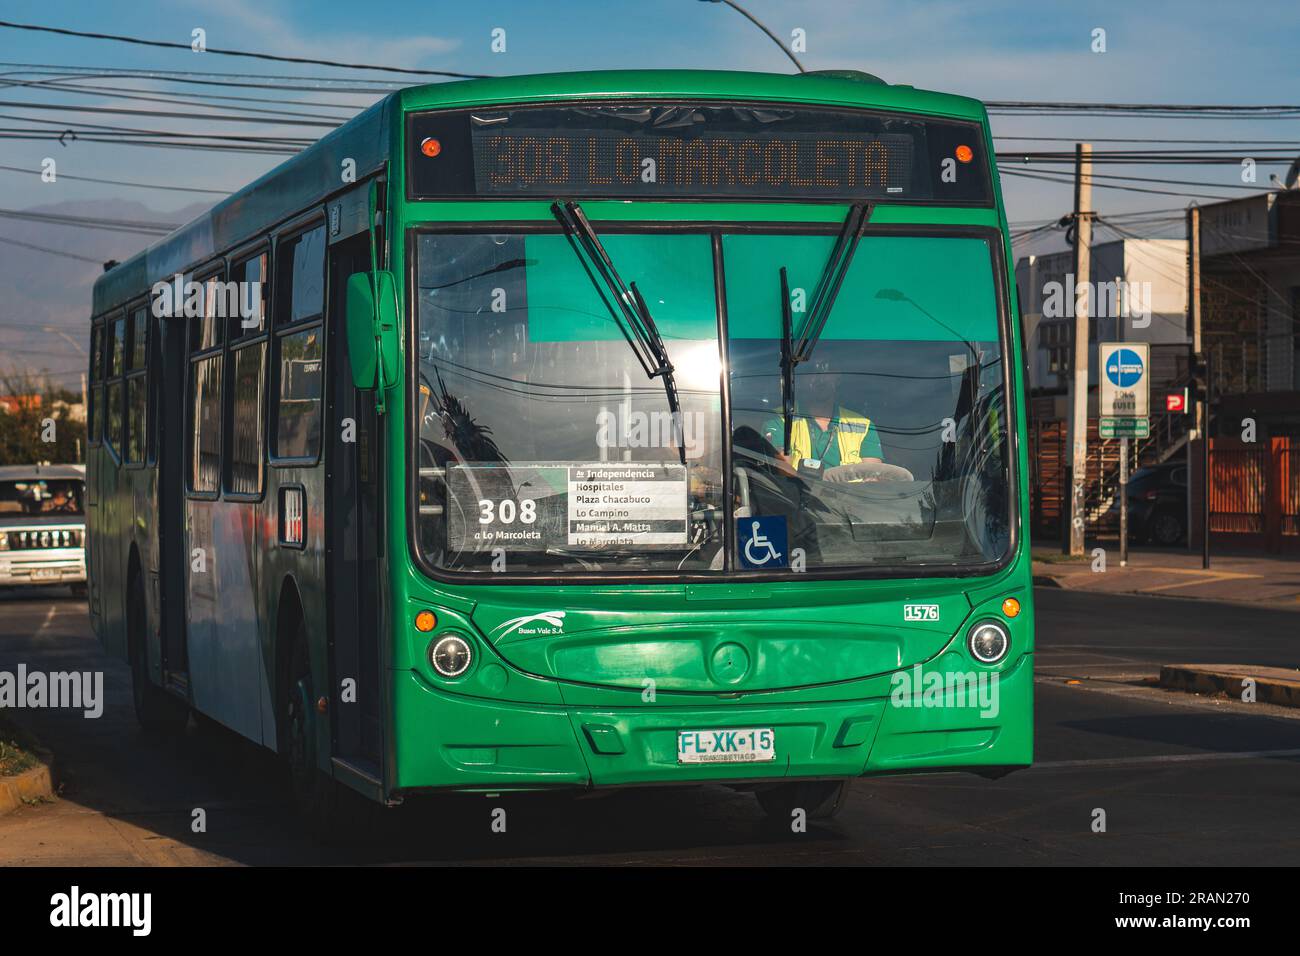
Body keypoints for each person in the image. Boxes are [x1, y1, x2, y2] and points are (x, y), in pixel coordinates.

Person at [760, 358, 883, 480]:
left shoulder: (864, 426)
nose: (820, 378)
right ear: (800, 378)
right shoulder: (779, 419)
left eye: (826, 368)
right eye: (811, 370)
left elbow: (872, 479)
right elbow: (782, 469)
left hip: (851, 499)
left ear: (837, 376)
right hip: (797, 498)